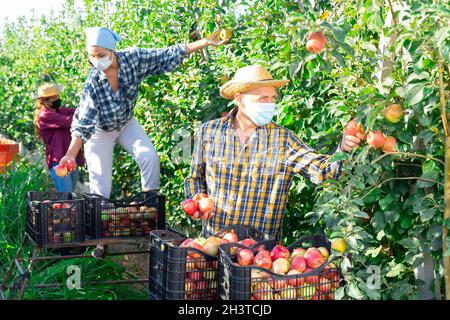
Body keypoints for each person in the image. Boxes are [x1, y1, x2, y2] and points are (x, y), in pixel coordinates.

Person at [184, 65, 361, 241]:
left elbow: (322, 171)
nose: (269, 104)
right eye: (262, 98)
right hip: (213, 243)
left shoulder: (283, 140)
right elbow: (194, 178)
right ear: (239, 99)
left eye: (272, 98)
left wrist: (343, 149)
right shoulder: (209, 132)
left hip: (261, 253)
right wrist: (198, 202)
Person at [59, 27, 228, 198]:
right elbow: (83, 123)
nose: (96, 60)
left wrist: (205, 42)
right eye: (92, 56)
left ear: (112, 51)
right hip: (100, 132)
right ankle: (99, 218)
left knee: (149, 157)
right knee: (100, 190)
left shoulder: (133, 59)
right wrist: (70, 155)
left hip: (126, 123)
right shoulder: (93, 82)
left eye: (101, 55)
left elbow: (166, 54)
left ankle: (150, 202)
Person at [34, 83, 85, 192]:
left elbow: (75, 111)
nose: (58, 99)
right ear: (45, 101)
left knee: (69, 194)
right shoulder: (45, 116)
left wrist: (87, 107)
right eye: (54, 98)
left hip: (70, 158)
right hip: (58, 161)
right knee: (66, 196)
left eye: (58, 96)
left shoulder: (60, 111)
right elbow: (69, 121)